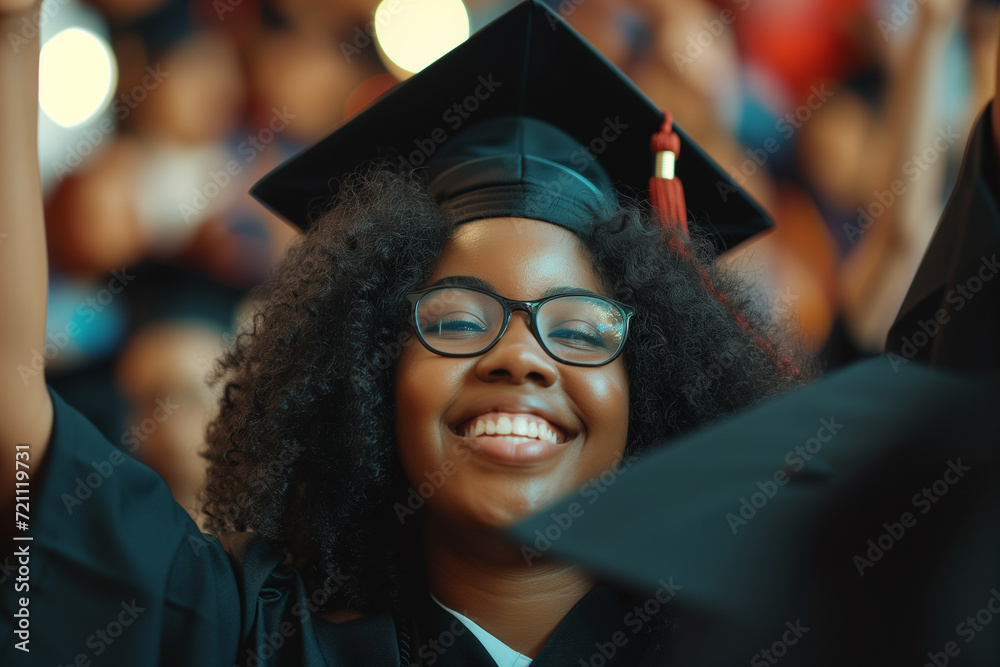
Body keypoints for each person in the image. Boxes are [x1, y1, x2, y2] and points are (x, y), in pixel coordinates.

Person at [0, 2, 996, 667]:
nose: (519, 355)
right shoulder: (254, 641)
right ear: (370, 368)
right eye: (456, 319)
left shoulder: (762, 634)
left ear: (649, 379)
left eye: (578, 327)